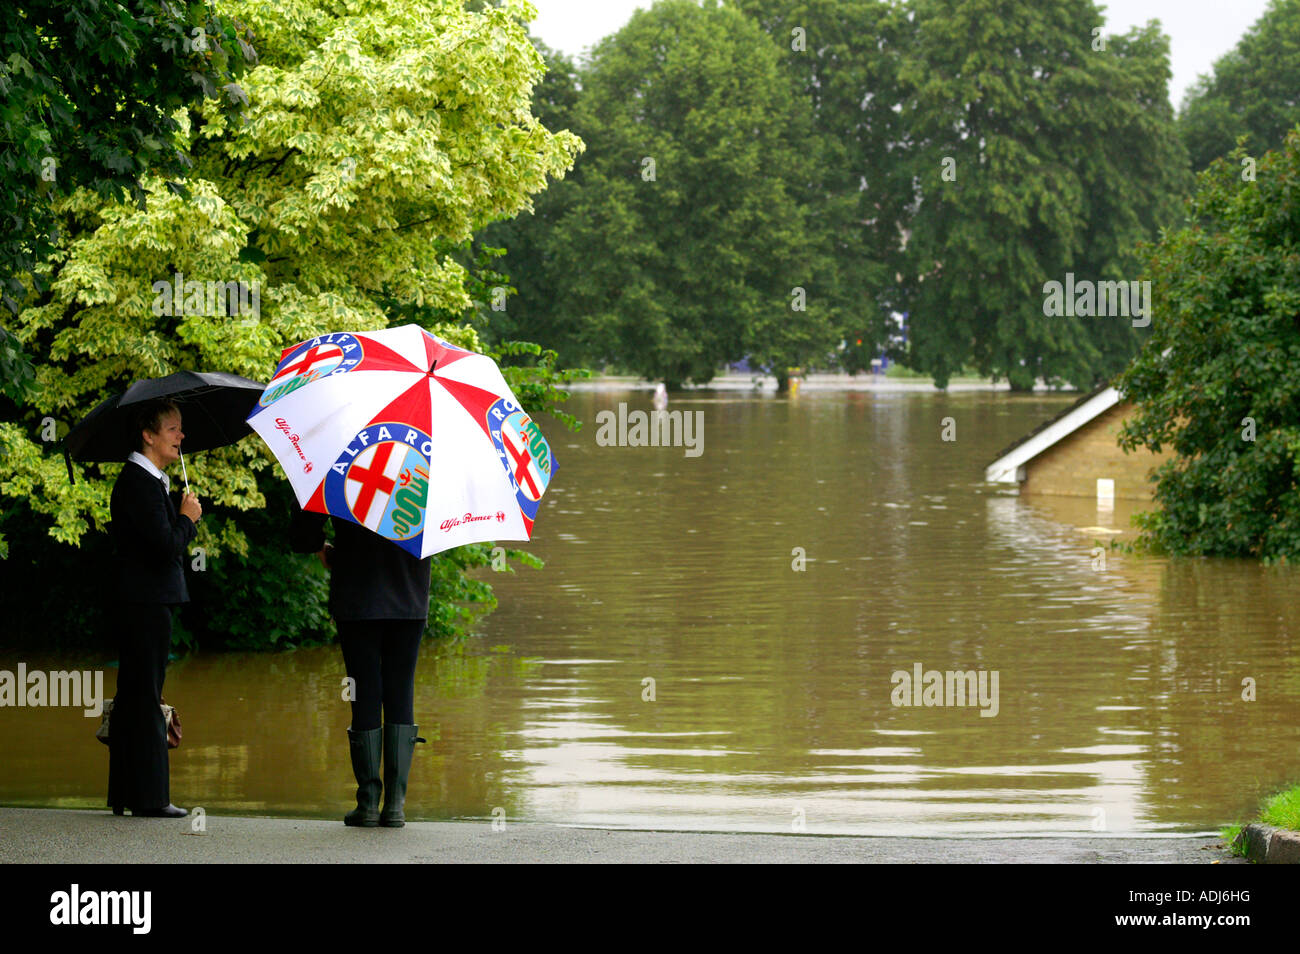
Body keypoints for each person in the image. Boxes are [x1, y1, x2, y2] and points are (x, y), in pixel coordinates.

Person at [289, 507, 432, 827]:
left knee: (363, 692)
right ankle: (395, 806)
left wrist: (321, 548)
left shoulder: (339, 459)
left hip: (357, 595)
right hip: (409, 595)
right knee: (401, 691)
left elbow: (302, 533)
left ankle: (368, 803)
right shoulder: (429, 467)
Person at [106, 399, 202, 818]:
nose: (181, 436)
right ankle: (151, 798)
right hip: (145, 602)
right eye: (172, 429)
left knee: (133, 694)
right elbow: (166, 549)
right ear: (148, 435)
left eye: (180, 429)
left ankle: (126, 793)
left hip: (141, 601)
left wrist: (179, 513)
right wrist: (187, 518)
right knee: (145, 696)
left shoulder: (149, 481)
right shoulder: (140, 483)